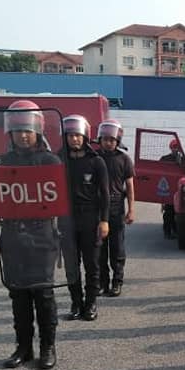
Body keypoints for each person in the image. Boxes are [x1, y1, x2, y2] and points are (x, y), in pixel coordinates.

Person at [0, 100, 63, 370]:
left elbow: (63, 205)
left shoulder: (51, 162)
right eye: (18, 131)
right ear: (10, 133)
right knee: (18, 295)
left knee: (43, 295)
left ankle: (48, 347)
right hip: (12, 237)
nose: (23, 135)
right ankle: (23, 347)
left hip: (43, 237)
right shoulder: (1, 163)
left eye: (28, 130)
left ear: (38, 131)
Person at [60, 115, 110, 321]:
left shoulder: (96, 161)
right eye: (70, 135)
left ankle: (90, 304)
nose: (74, 139)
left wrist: (104, 220)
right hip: (66, 219)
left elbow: (105, 193)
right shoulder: (58, 160)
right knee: (71, 265)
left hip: (90, 218)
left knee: (92, 264)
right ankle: (76, 303)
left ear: (85, 136)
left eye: (78, 135)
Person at [96, 119, 135, 296]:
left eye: (112, 140)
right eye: (105, 139)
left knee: (117, 248)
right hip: (97, 210)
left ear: (117, 141)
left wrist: (131, 209)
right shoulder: (94, 158)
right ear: (100, 139)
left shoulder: (124, 159)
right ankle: (102, 282)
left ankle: (116, 281)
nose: (108, 142)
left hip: (116, 207)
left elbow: (130, 186)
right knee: (99, 249)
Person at [158, 138, 185, 239]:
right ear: (171, 148)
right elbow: (159, 174)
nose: (176, 149)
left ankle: (176, 230)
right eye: (174, 147)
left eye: (177, 147)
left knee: (178, 213)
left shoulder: (184, 160)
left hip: (179, 190)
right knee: (168, 212)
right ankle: (167, 232)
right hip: (168, 190)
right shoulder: (165, 159)